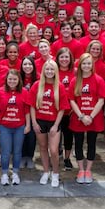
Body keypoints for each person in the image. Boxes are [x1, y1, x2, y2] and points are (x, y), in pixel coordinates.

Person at [68, 53, 105, 184]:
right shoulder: (75, 81)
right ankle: (80, 170)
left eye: (89, 63)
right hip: (78, 117)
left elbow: (101, 100)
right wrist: (81, 116)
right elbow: (72, 100)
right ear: (80, 65)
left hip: (93, 118)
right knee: (78, 144)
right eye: (84, 63)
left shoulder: (98, 80)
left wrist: (90, 116)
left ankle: (88, 170)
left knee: (92, 144)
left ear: (92, 65)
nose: (86, 66)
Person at [28, 59, 67, 187]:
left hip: (53, 122)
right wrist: (34, 122)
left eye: (52, 69)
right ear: (43, 70)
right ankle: (46, 171)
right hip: (40, 121)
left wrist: (56, 125)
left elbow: (62, 108)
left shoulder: (59, 86)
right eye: (47, 69)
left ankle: (55, 173)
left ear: (55, 71)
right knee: (43, 148)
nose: (49, 71)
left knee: (54, 150)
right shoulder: (37, 85)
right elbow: (32, 106)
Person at [0, 70, 30, 186]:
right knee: (5, 151)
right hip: (4, 127)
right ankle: (4, 174)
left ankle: (15, 173)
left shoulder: (24, 92)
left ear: (19, 80)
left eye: (14, 79)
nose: (12, 81)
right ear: (6, 79)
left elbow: (27, 110)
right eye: (10, 79)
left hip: (19, 126)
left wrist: (28, 125)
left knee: (17, 151)